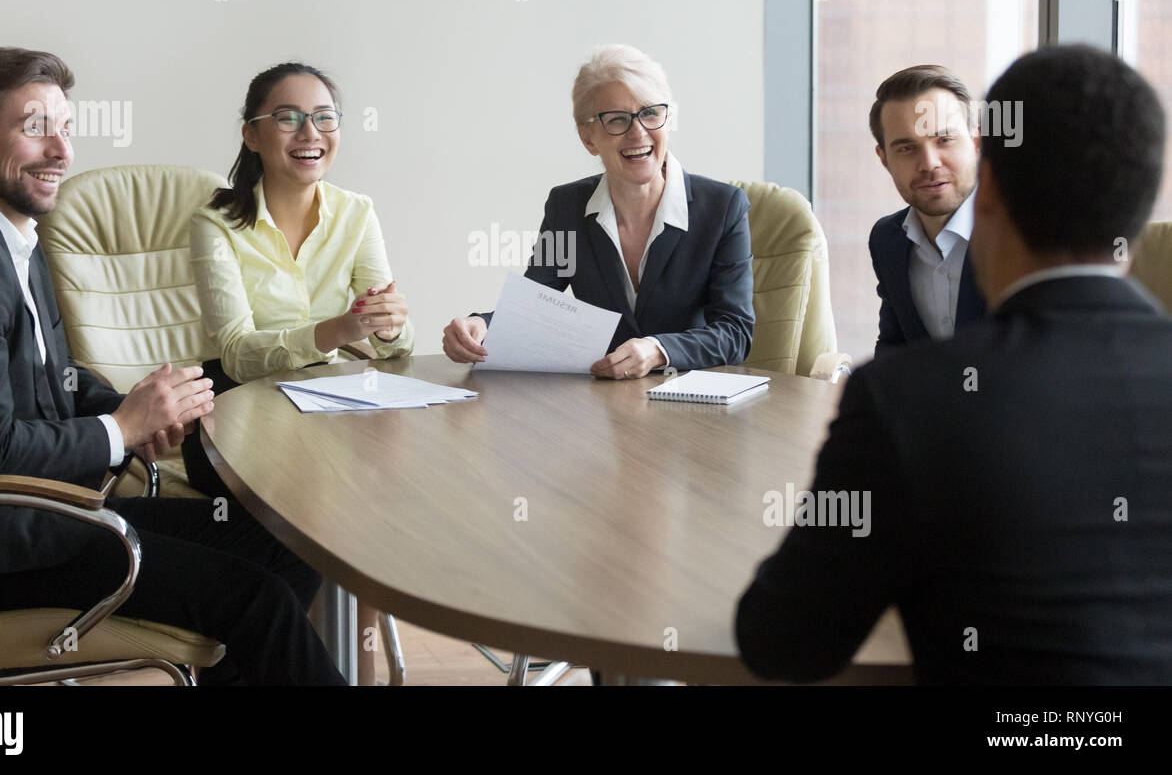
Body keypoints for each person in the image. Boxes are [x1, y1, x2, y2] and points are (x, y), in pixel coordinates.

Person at [0, 47, 344, 685]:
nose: (61, 150)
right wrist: (121, 429)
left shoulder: (7, 234)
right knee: (253, 597)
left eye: (65, 128)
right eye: (34, 127)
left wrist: (146, 410)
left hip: (42, 519)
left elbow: (57, 381)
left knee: (286, 543)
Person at [735, 44, 1172, 684]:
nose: (930, 162)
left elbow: (783, 641)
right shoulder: (900, 317)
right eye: (907, 146)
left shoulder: (903, 405)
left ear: (987, 177)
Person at [442, 44, 754, 377]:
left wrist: (659, 350)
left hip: (693, 409)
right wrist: (480, 326)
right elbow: (533, 308)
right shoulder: (567, 207)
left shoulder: (723, 208)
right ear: (588, 138)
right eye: (617, 119)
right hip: (603, 406)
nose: (638, 132)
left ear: (668, 119)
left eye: (650, 113)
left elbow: (735, 332)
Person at [185, 62, 413, 499]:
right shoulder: (214, 224)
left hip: (326, 403)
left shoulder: (356, 213)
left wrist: (391, 325)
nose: (310, 133)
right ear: (251, 135)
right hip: (233, 412)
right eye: (288, 118)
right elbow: (235, 356)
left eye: (324, 117)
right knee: (312, 496)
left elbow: (393, 345)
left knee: (400, 476)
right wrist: (339, 329)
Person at [868, 65, 986, 355]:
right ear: (884, 159)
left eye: (944, 140)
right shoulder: (886, 240)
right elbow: (894, 351)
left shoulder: (1026, 237)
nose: (929, 163)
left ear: (976, 143)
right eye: (907, 148)